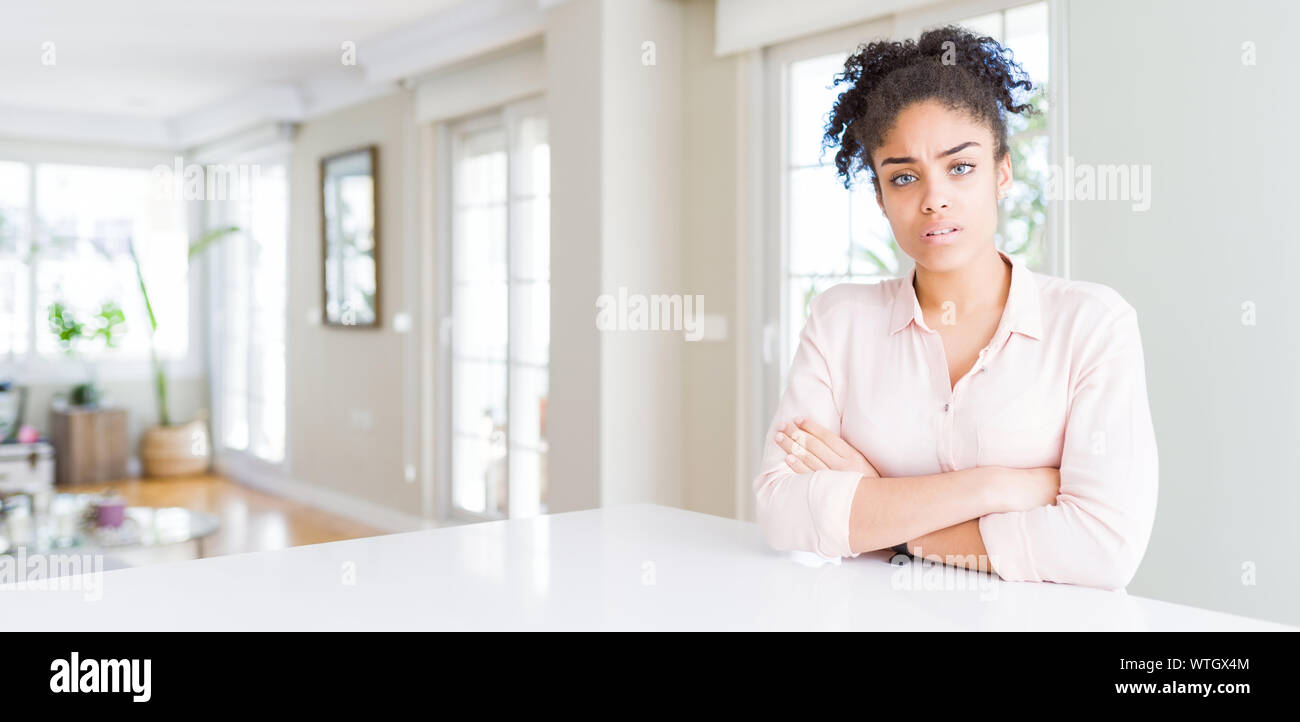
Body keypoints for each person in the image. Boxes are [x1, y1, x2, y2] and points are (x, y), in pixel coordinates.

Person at [753, 25, 1158, 590]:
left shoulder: (1092, 325)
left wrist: (881, 521)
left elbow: (1103, 549)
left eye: (960, 167)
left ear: (1002, 173)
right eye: (903, 177)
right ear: (879, 196)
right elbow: (781, 510)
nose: (933, 197)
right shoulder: (839, 320)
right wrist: (995, 486)